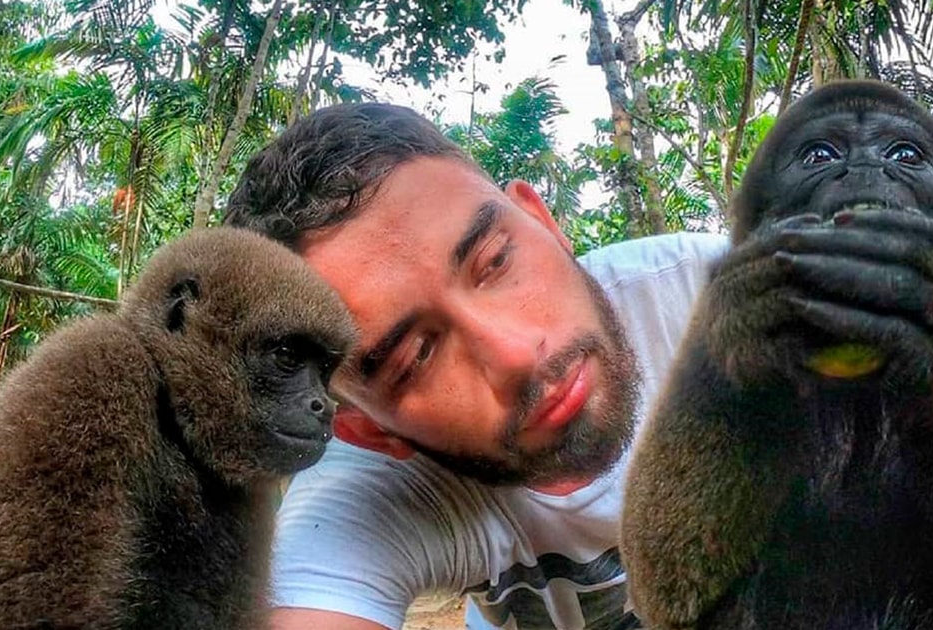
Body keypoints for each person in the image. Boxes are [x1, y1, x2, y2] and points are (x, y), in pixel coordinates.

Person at [224, 102, 727, 630]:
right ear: (368, 430)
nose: (515, 356)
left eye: (495, 262)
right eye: (415, 357)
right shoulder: (360, 503)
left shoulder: (714, 301)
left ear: (543, 221)